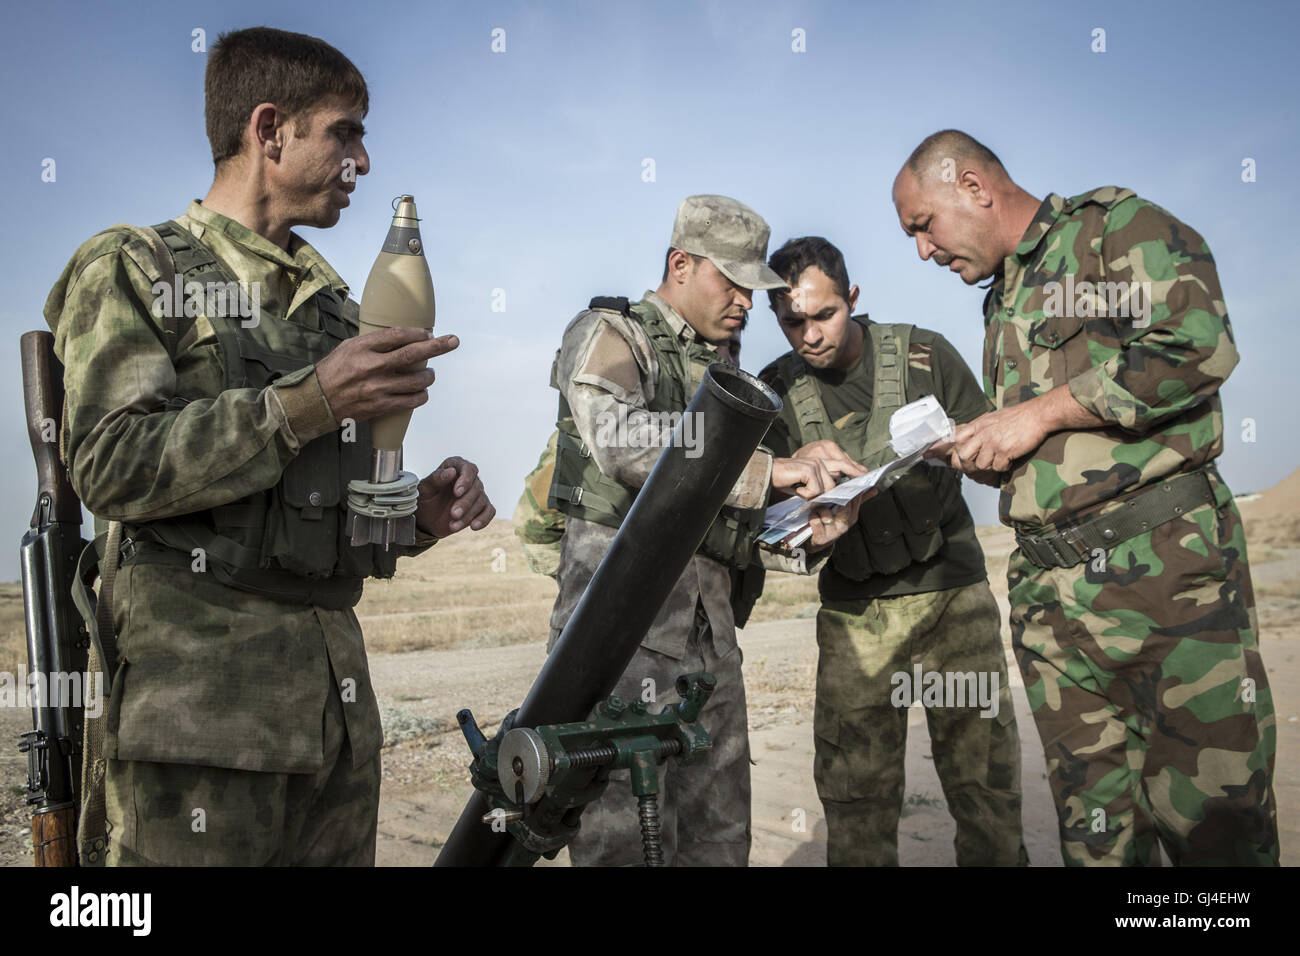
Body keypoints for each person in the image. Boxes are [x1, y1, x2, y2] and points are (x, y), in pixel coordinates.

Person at [43, 27, 495, 866]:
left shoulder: (333, 309)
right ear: (269, 128)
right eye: (345, 130)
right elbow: (109, 464)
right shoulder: (137, 267)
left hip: (334, 730)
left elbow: (335, 530)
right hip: (203, 735)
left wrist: (419, 514)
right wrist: (306, 404)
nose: (363, 158)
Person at [891, 128, 1279, 866]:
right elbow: (1068, 448)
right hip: (1052, 605)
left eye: (923, 226)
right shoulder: (999, 300)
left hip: (1166, 585)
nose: (923, 251)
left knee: (1216, 834)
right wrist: (989, 453)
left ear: (973, 187)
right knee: (1097, 839)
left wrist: (1035, 414)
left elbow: (1198, 343)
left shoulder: (1110, 231)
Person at [547, 195, 862, 866]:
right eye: (733, 282)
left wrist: (806, 533)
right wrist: (773, 469)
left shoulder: (723, 372)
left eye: (755, 289)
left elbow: (728, 531)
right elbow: (619, 440)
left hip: (710, 648)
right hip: (620, 646)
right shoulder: (612, 332)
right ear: (681, 264)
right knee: (621, 841)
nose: (747, 302)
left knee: (720, 840)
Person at [758, 236, 1027, 866]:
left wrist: (961, 449)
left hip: (952, 598)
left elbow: (997, 457)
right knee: (857, 796)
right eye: (792, 322)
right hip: (857, 614)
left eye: (824, 315)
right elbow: (767, 528)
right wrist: (810, 533)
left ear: (852, 298)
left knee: (984, 782)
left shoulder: (924, 356)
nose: (810, 336)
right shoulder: (773, 393)